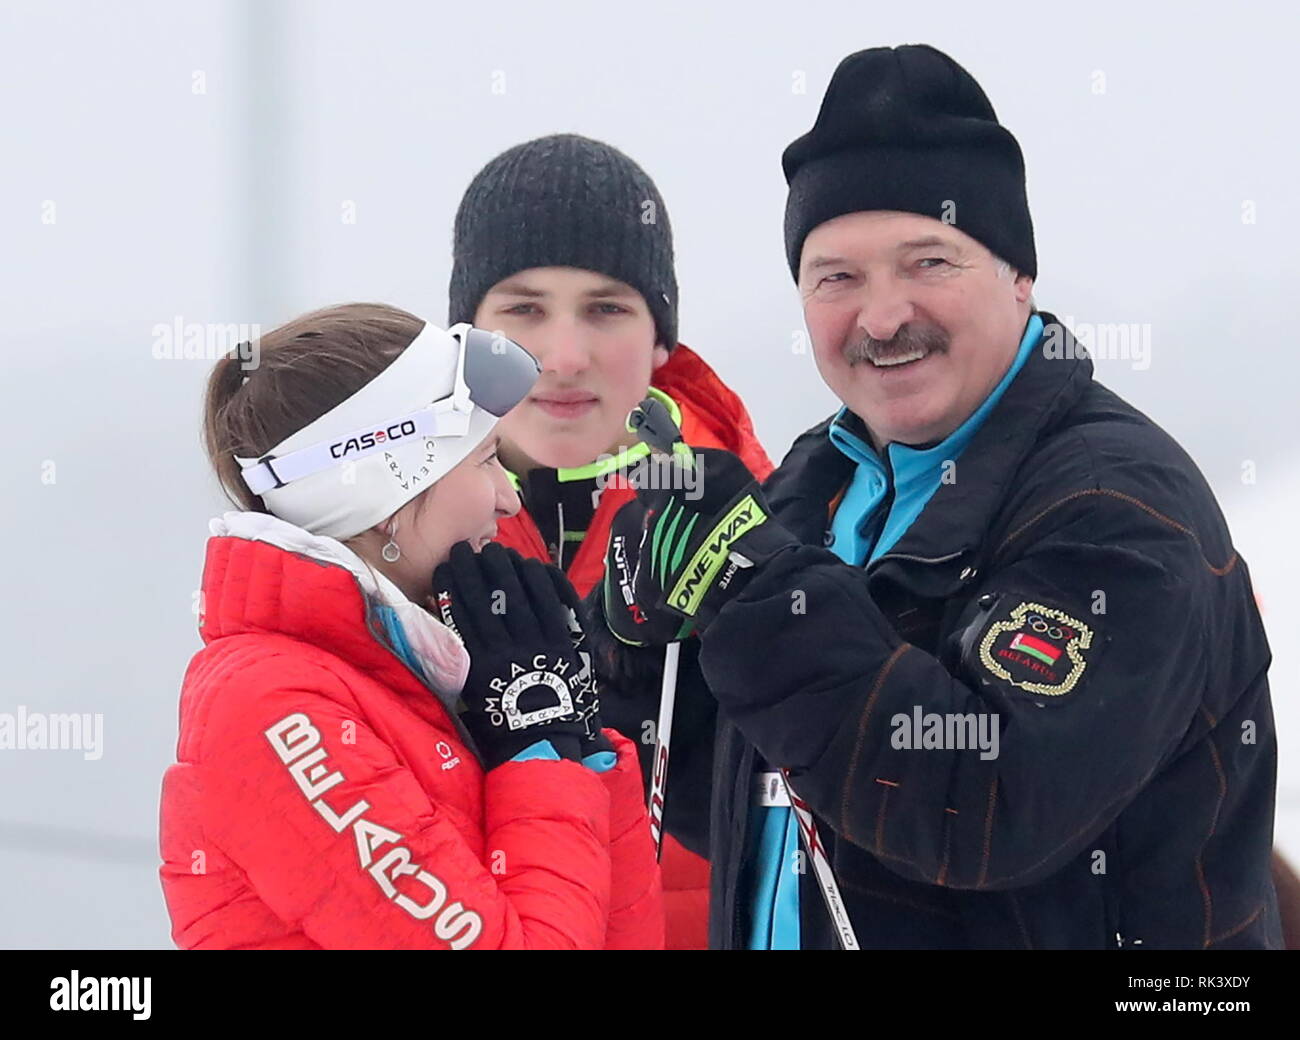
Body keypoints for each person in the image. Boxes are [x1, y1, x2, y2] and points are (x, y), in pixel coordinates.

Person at [599, 45, 1283, 949]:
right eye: (837, 277)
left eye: (929, 262)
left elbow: (984, 806)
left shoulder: (1118, 509)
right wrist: (643, 652)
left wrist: (760, 595)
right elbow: (742, 801)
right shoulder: (817, 480)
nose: (882, 317)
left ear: (1019, 275)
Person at [158, 303, 663, 949]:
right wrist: (537, 754)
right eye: (484, 460)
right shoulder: (271, 705)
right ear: (381, 491)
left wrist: (573, 740)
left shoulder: (423, 670)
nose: (510, 497)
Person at [448, 133, 773, 949]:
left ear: (662, 339)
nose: (563, 356)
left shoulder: (764, 536)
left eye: (606, 309)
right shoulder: (387, 544)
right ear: (467, 336)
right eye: (523, 308)